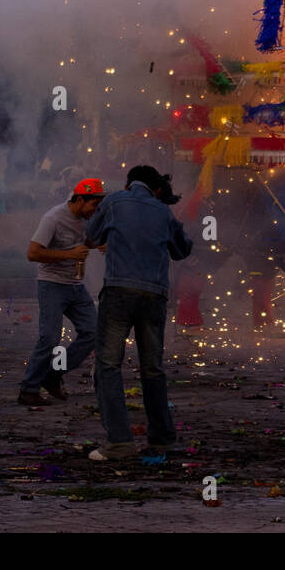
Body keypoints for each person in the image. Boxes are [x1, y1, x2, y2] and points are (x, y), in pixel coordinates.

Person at [84, 166, 192, 461]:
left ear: (129, 183)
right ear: (156, 188)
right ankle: (162, 440)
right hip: (154, 296)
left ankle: (120, 442)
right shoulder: (164, 212)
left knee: (108, 366)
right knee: (152, 369)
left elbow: (91, 236)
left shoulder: (115, 202)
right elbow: (182, 250)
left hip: (119, 293)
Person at [19, 178, 106, 406]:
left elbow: (86, 241)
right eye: (93, 206)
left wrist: (98, 244)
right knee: (49, 338)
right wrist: (69, 255)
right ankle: (28, 389)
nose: (94, 212)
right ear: (79, 200)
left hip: (76, 286)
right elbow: (33, 253)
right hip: (52, 285)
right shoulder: (53, 218)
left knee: (93, 333)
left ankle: (53, 374)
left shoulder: (88, 218)